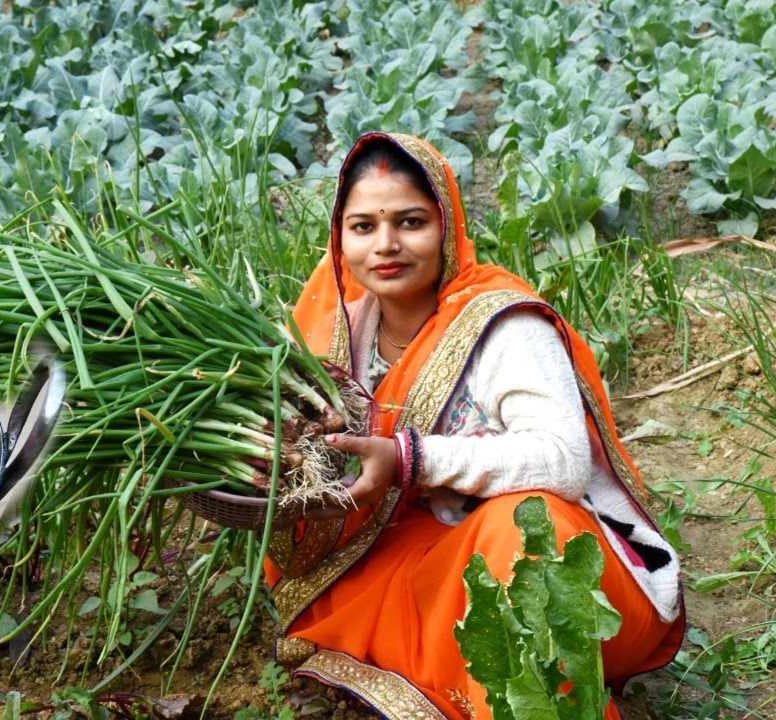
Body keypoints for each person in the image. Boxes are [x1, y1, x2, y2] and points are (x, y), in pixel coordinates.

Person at [263, 132, 684, 719]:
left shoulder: (502, 326)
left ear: (448, 226)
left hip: (569, 582)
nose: (385, 245)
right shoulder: (337, 333)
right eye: (362, 227)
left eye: (410, 222)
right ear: (340, 237)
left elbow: (564, 461)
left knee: (522, 523)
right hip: (432, 558)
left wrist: (411, 460)